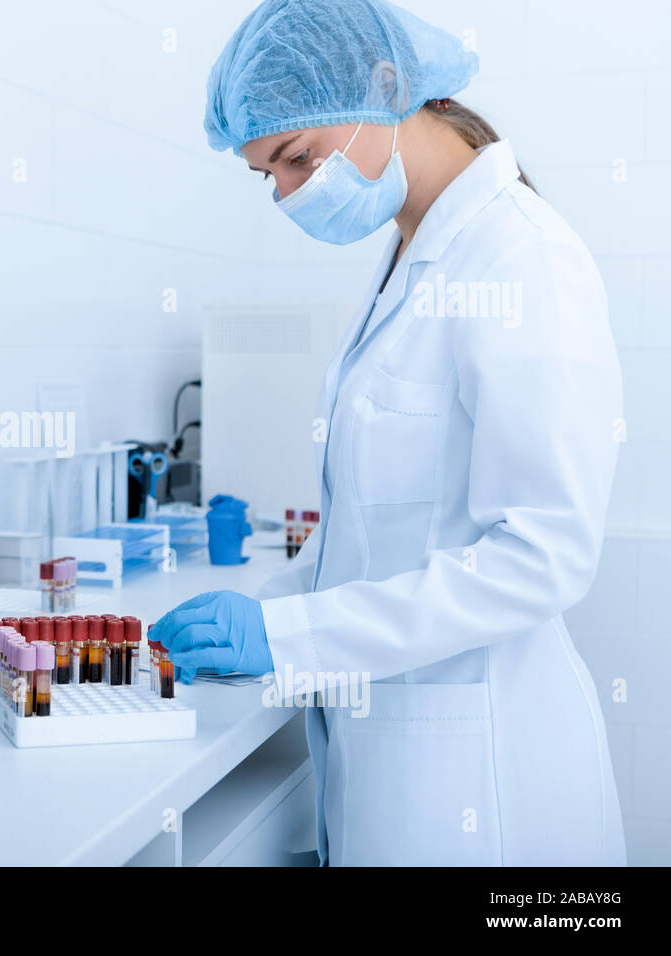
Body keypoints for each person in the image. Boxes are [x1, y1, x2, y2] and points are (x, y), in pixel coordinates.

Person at [152, 0, 625, 865]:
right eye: (268, 176)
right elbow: (377, 534)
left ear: (386, 88)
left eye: (296, 158)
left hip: (487, 794)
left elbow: (544, 555)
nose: (288, 195)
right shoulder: (412, 255)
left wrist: (288, 639)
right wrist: (271, 611)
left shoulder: (522, 259)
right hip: (392, 766)